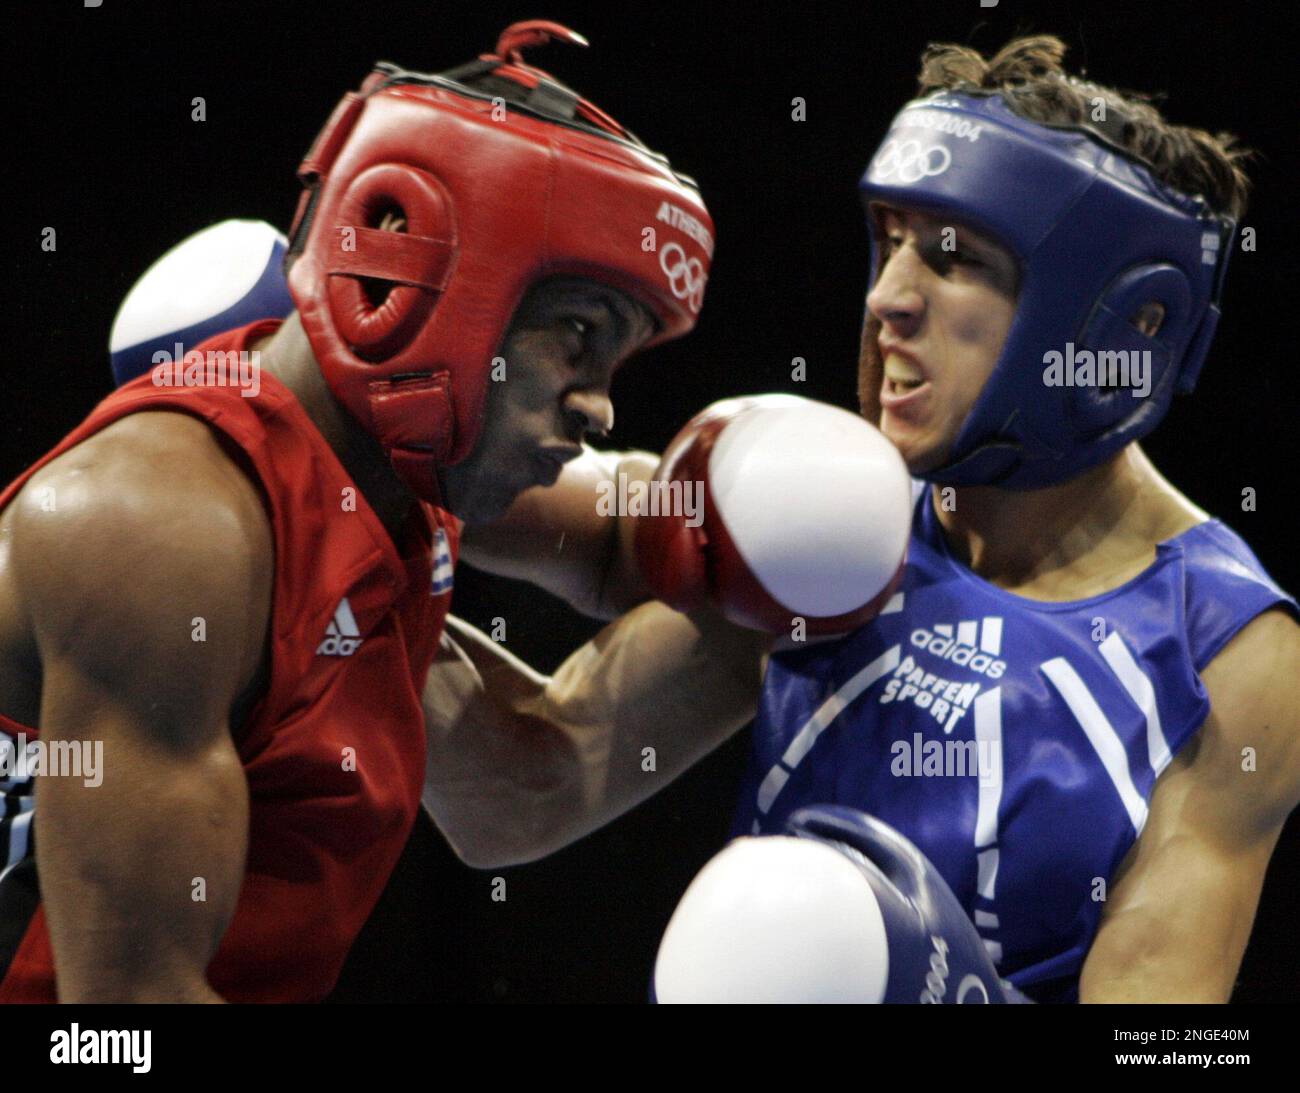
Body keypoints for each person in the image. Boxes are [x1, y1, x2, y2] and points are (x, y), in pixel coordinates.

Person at [422, 35, 1300, 1004]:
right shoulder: (829, 518)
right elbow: (519, 785)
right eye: (888, 240)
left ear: (1117, 321)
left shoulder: (1229, 655)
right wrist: (332, 457)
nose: (887, 298)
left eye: (952, 257)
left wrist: (939, 987)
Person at [0, 20, 737, 1003]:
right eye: (576, 333)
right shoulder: (164, 529)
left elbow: (645, 539)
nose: (600, 404)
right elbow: (120, 1023)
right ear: (415, 284)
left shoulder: (395, 461)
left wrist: (841, 509)